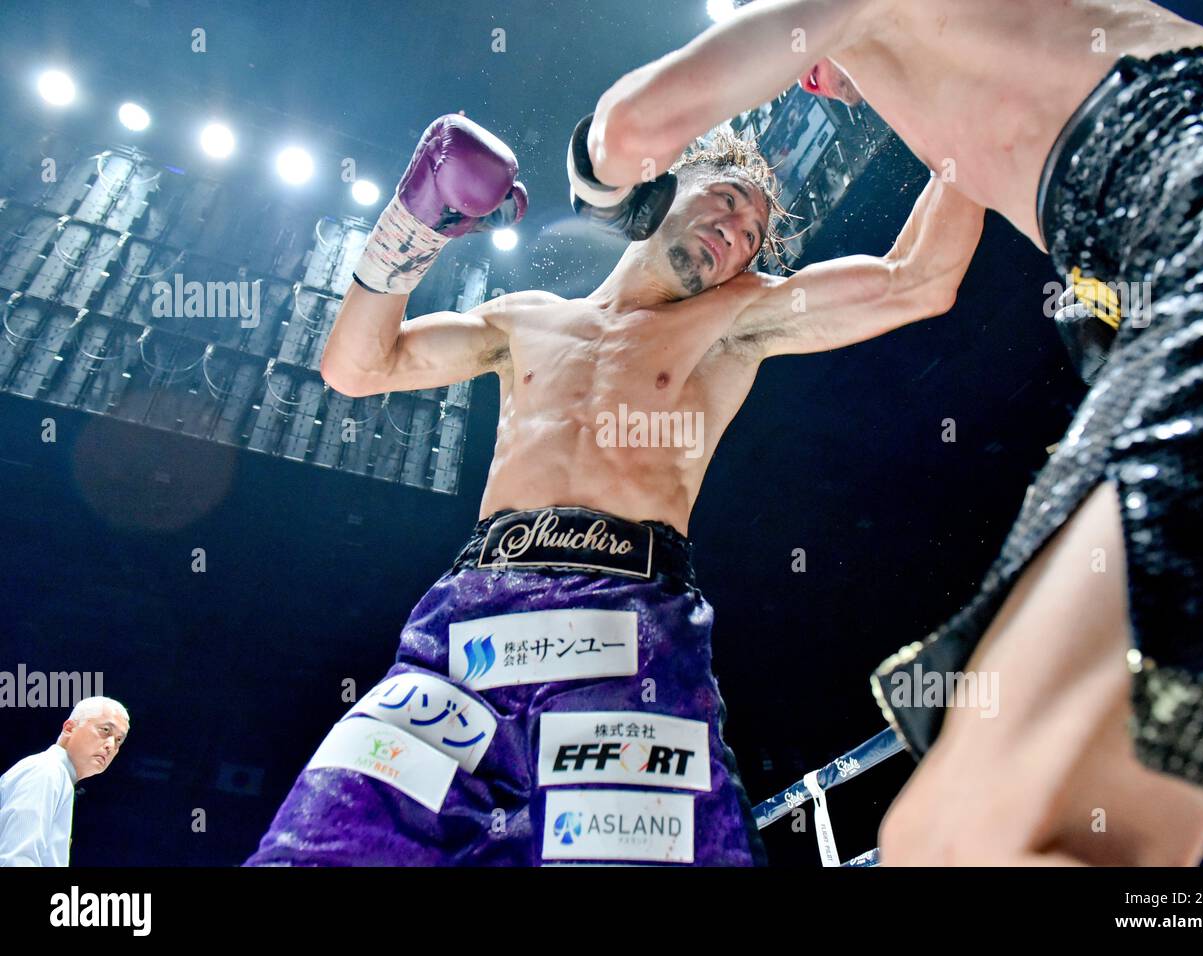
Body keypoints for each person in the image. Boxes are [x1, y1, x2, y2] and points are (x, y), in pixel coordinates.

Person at [586, 0, 1203, 864]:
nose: (823, 95)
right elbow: (920, 281)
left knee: (998, 834)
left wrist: (601, 181)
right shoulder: (945, 92)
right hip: (1193, 266)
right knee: (968, 831)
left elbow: (632, 124)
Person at [246, 111, 984, 865]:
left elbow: (918, 280)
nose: (737, 229)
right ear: (663, 188)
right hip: (466, 630)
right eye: (727, 199)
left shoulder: (737, 318)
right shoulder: (527, 319)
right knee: (325, 847)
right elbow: (356, 368)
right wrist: (415, 223)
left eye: (754, 234)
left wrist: (963, 108)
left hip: (627, 628)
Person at [0, 696, 130, 866]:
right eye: (105, 730)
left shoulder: (57, 775)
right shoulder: (46, 770)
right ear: (69, 728)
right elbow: (16, 859)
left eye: (119, 740)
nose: (111, 745)